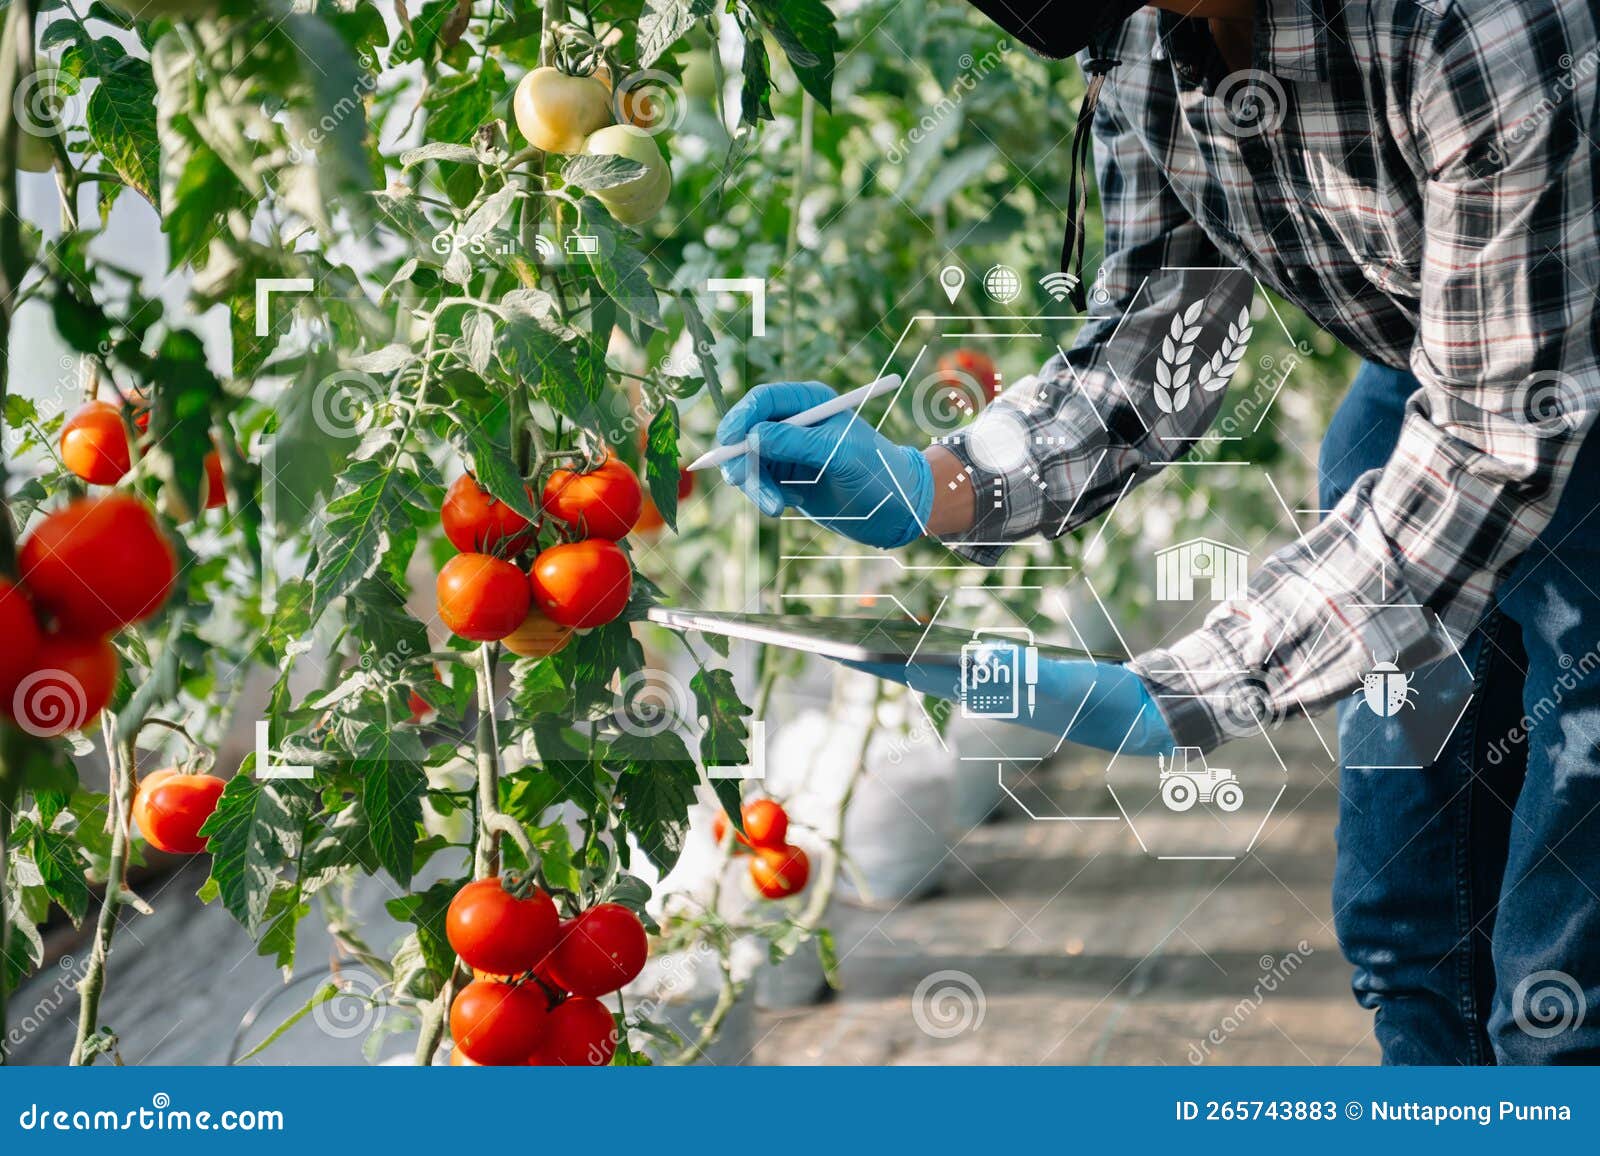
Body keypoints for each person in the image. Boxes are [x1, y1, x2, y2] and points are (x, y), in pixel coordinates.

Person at [714, 1, 1600, 1065]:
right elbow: (1161, 329)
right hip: (1428, 365)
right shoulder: (1140, 35)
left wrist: (1188, 689)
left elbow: (1491, 439)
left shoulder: (1473, 22)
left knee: (1560, 986)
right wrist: (933, 485)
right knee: (1404, 925)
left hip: (1534, 387)